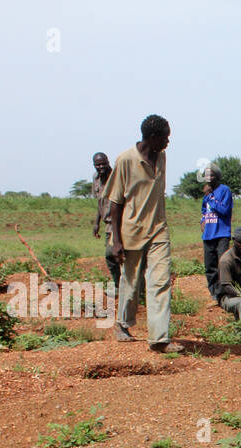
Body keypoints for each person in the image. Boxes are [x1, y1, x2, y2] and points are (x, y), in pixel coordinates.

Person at [105, 114, 181, 353]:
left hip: (159, 230)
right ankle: (123, 323)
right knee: (131, 281)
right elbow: (115, 202)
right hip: (132, 231)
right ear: (152, 137)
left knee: (160, 281)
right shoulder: (126, 160)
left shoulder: (163, 157)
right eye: (165, 137)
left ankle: (159, 338)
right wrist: (116, 240)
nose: (168, 142)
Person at [200, 163, 233, 301]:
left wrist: (211, 197)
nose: (209, 177)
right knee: (209, 265)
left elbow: (224, 210)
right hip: (208, 234)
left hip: (221, 234)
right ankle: (214, 292)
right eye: (206, 174)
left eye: (212, 174)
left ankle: (223, 291)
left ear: (217, 176)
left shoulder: (224, 190)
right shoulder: (206, 194)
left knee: (222, 264)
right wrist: (202, 220)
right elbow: (204, 209)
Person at [90, 152, 119, 293]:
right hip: (107, 224)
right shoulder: (95, 179)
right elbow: (100, 203)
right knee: (112, 257)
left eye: (103, 163)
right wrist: (97, 223)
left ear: (108, 162)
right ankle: (119, 285)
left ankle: (122, 286)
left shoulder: (116, 178)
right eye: (97, 164)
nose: (100, 167)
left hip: (118, 222)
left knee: (110, 254)